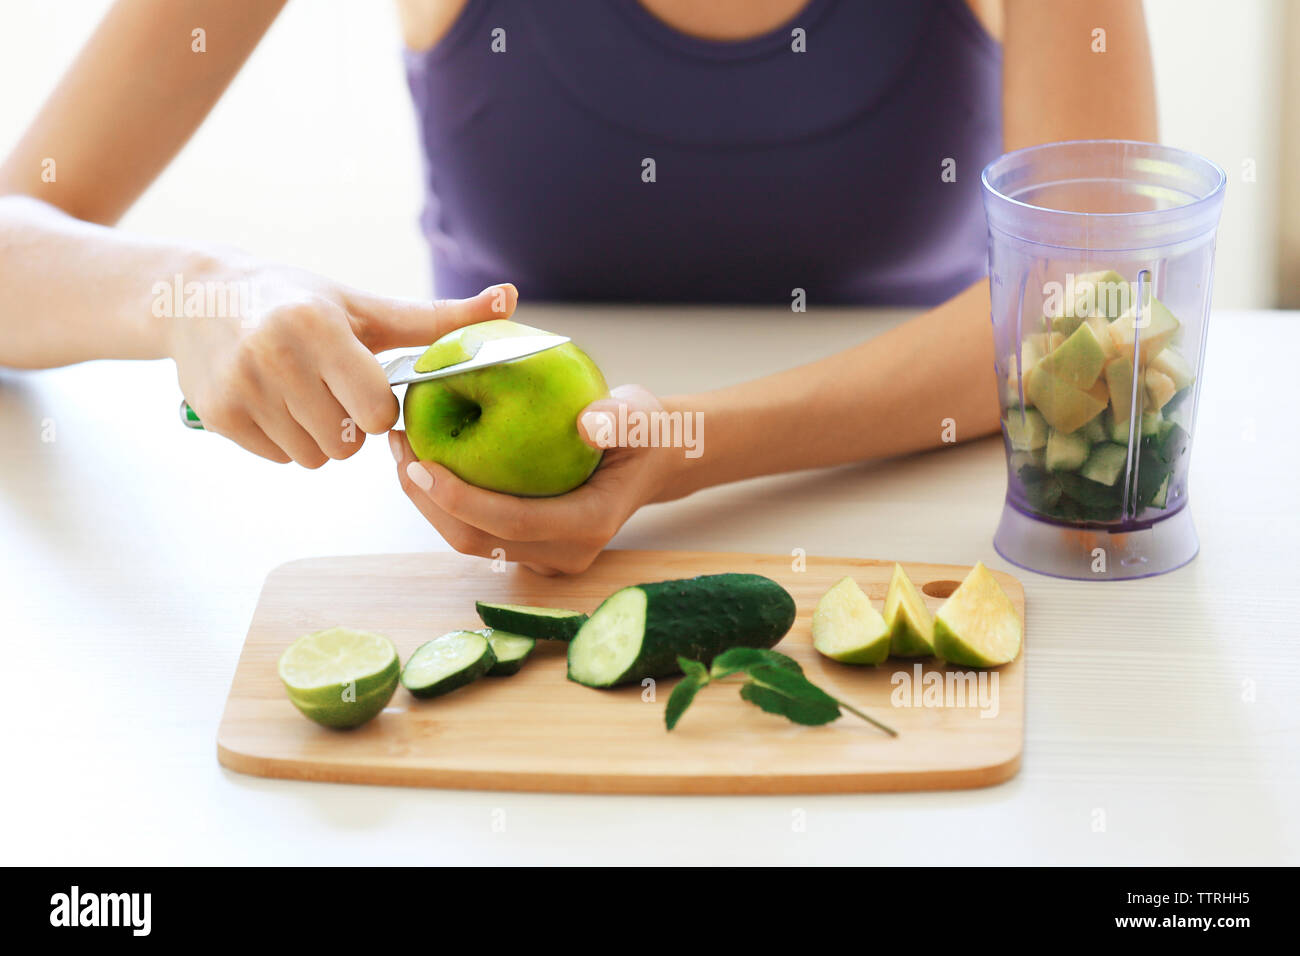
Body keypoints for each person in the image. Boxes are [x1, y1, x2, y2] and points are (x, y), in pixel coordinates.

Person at [0, 0, 1157, 574]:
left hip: (924, 512)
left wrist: (693, 444)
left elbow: (1092, 297)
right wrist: (199, 290)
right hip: (471, 558)